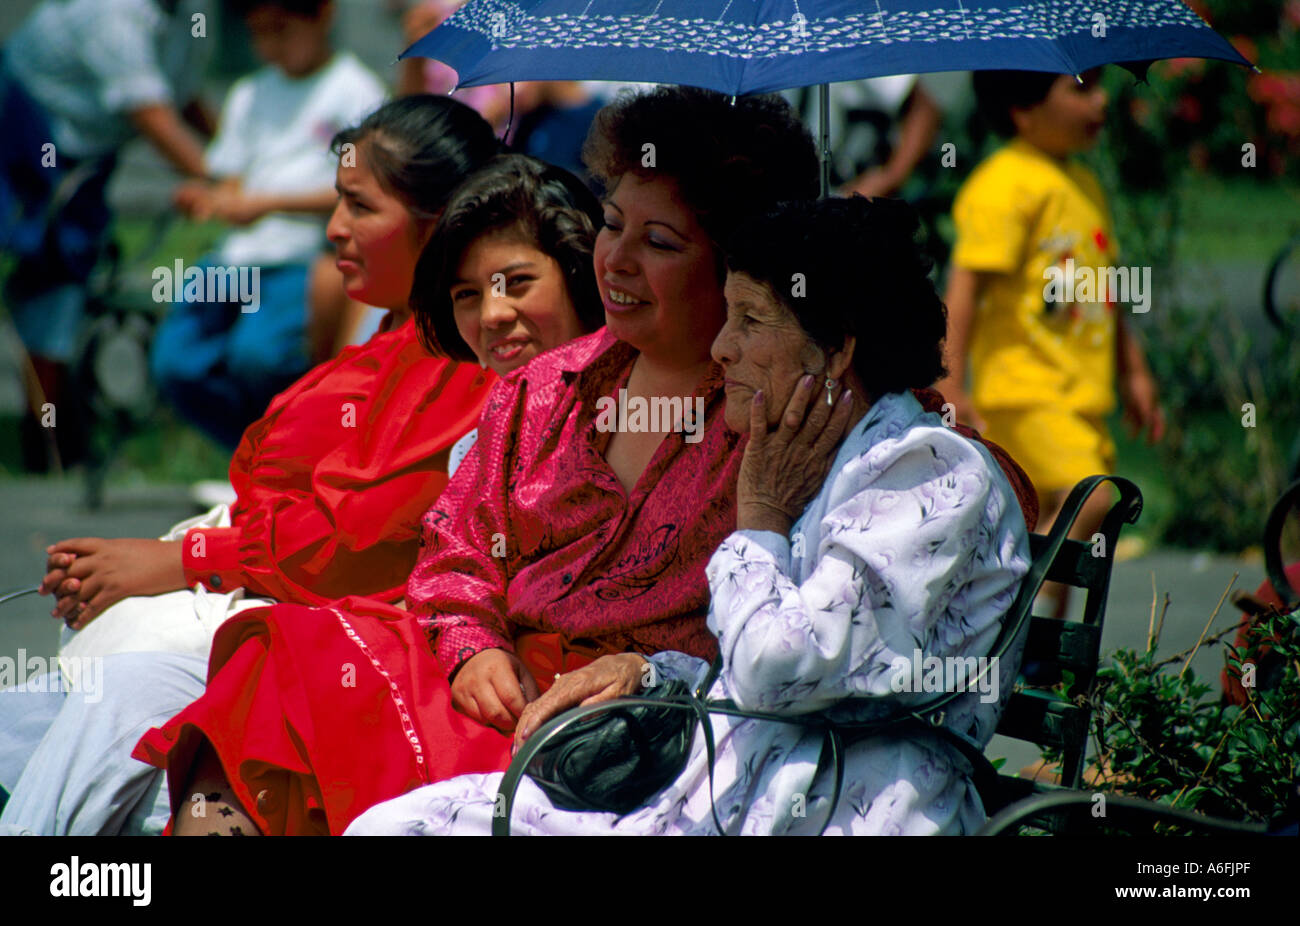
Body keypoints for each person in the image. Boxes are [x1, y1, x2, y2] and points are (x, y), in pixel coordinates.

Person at [135, 86, 826, 836]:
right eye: (614, 226)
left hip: (631, 737)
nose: (618, 261)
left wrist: (652, 672)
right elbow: (453, 554)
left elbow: (810, 615)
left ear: (737, 265)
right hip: (489, 691)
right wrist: (470, 649)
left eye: (660, 243)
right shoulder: (540, 392)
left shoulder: (788, 414)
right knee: (279, 663)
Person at [347, 196, 1033, 836]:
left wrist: (760, 518)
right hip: (718, 781)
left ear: (839, 349)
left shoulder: (927, 471)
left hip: (843, 802)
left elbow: (778, 670)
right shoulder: (818, 459)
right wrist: (645, 672)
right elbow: (745, 668)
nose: (721, 347)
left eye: (752, 320)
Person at [0, 95, 500, 835]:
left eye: (360, 207)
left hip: (308, 606)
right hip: (249, 568)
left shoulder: (465, 354)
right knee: (44, 706)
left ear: (440, 221)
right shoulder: (379, 314)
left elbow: (359, 541)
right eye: (336, 202)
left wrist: (186, 559)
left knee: (124, 682)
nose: (333, 227)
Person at [934, 68, 1165, 619]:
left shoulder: (1082, 185)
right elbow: (964, 287)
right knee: (1095, 497)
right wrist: (948, 379)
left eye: (1100, 86)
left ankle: (1026, 650)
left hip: (1075, 397)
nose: (1101, 100)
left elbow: (1104, 292)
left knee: (1049, 521)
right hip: (1025, 391)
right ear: (1024, 110)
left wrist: (1133, 371)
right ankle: (1020, 627)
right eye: (1081, 89)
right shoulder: (1004, 183)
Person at [151, 0, 388, 449]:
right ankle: (252, 456)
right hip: (236, 258)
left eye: (280, 30)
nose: (268, 46)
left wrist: (268, 204)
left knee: (258, 357)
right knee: (175, 362)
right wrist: (208, 196)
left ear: (322, 16)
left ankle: (280, 456)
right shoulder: (250, 93)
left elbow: (366, 190)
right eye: (258, 34)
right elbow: (231, 177)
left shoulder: (356, 91)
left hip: (304, 257)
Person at [0, 0, 213, 469]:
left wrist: (233, 151)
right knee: (49, 269)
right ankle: (46, 436)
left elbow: (183, 97)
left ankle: (52, 435)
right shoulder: (111, 13)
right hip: (24, 131)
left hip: (82, 152)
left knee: (62, 279)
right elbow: (151, 114)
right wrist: (224, 181)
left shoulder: (185, 16)